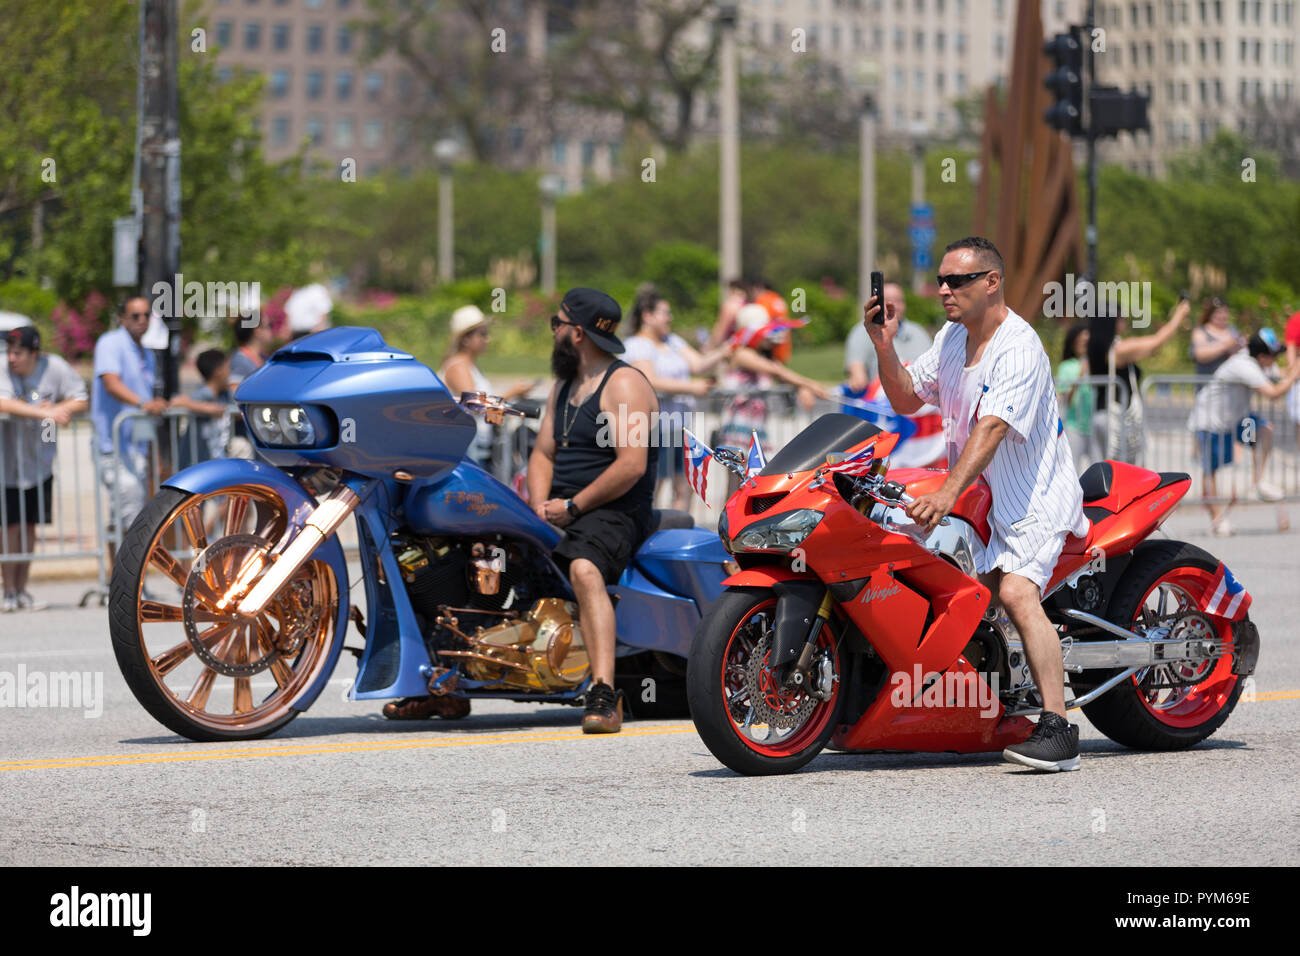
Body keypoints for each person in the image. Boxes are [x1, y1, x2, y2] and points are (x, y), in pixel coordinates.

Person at [866, 236, 1090, 773]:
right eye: (941, 280)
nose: (945, 290)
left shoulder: (1020, 347)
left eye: (958, 280)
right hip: (979, 501)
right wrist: (882, 344)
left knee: (1014, 591)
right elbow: (903, 398)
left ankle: (1058, 731)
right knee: (946, 593)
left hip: (1032, 498)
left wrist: (945, 494)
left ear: (992, 282)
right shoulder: (950, 338)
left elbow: (990, 430)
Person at [0, 326, 88, 612]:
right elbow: (2, 401)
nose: (12, 357)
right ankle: (8, 590)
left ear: (34, 353)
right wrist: (44, 412)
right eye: (9, 351)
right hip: (7, 465)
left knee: (28, 527)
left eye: (18, 352)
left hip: (40, 464)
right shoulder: (3, 367)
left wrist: (60, 408)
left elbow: (81, 398)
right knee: (8, 527)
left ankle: (22, 589)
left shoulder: (55, 367)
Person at [622, 292, 729, 510]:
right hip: (653, 427)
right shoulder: (636, 344)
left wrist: (727, 349)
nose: (670, 317)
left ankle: (678, 534)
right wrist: (692, 388)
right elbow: (650, 380)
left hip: (678, 426)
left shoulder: (672, 341)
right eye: (665, 313)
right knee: (653, 485)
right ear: (647, 316)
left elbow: (698, 365)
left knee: (684, 485)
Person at [1187, 330, 1299, 536]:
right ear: (1263, 357)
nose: (1277, 359)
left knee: (1265, 429)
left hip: (1236, 420)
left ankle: (1258, 482)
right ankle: (1217, 520)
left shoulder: (1259, 361)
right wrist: (1294, 373)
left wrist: (1294, 367)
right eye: (1275, 355)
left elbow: (1280, 374)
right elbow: (1274, 393)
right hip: (1211, 421)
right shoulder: (1244, 366)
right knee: (1211, 470)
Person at [92, 297, 166, 537]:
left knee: (126, 514)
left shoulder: (148, 354)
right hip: (112, 446)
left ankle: (119, 573)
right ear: (122, 318)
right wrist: (144, 404)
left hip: (138, 446)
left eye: (146, 315)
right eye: (135, 315)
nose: (142, 320)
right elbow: (111, 383)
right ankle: (125, 573)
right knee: (130, 514)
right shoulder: (110, 342)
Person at [716, 302, 830, 455]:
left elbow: (784, 375)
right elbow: (777, 372)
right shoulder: (741, 354)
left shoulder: (762, 356)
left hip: (756, 424)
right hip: (738, 423)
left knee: (755, 472)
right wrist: (810, 384)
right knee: (737, 473)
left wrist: (802, 388)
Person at [1086, 299, 1190, 464]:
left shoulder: (1095, 347)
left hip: (1101, 415)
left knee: (1105, 472)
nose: (1124, 321)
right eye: (1121, 317)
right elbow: (1157, 341)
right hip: (1117, 418)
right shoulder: (1117, 350)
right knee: (1123, 474)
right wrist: (1179, 315)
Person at [438, 305, 535, 469]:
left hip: (478, 446)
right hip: (468, 450)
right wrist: (512, 393)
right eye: (482, 334)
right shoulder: (458, 367)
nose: (487, 339)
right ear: (465, 339)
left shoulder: (470, 366)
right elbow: (477, 405)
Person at [844, 282, 932, 390]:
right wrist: (857, 378)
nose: (894, 306)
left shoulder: (919, 332)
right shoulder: (863, 331)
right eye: (888, 301)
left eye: (899, 301)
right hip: (879, 401)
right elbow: (857, 369)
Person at [170, 349, 236, 464]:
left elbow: (237, 411)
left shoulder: (224, 395)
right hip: (196, 462)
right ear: (218, 371)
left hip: (215, 459)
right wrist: (206, 408)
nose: (230, 373)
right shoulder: (202, 394)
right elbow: (175, 402)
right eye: (228, 368)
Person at [1055, 324, 1093, 473]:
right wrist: (1079, 377)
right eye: (1080, 342)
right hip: (1073, 425)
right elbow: (1066, 401)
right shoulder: (1066, 366)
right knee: (1072, 469)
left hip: (1093, 424)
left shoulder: (1096, 364)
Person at [228, 318, 276, 387]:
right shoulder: (240, 361)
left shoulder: (263, 358)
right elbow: (234, 393)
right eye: (269, 325)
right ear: (257, 331)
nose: (272, 331)